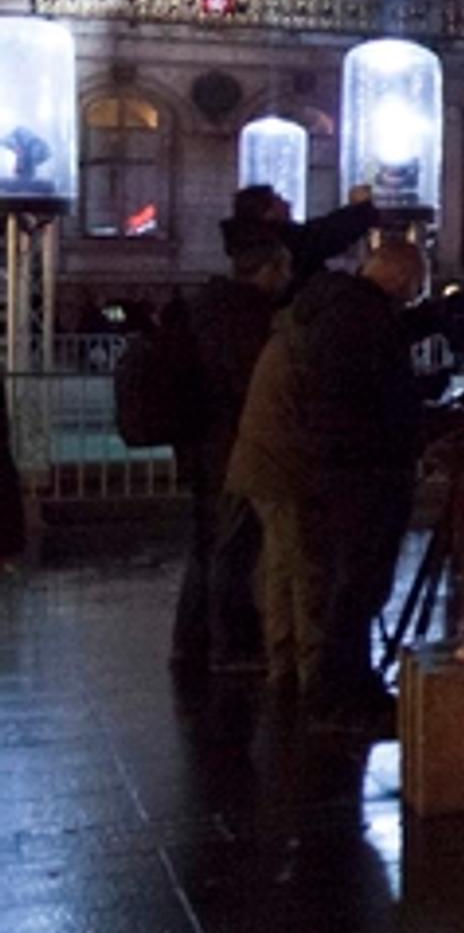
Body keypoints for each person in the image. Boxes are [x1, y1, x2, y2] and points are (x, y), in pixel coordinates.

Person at [228, 226, 428, 731]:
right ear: (402, 277)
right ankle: (326, 691)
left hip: (270, 461)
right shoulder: (352, 317)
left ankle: (290, 674)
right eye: (417, 284)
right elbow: (351, 401)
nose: (414, 296)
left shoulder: (331, 305)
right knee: (319, 579)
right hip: (301, 468)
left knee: (286, 573)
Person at [167, 223, 292, 679]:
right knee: (232, 549)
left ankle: (192, 643)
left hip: (202, 445)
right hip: (231, 448)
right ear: (270, 269)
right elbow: (250, 387)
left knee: (207, 549)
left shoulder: (206, 306)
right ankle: (230, 644)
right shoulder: (248, 318)